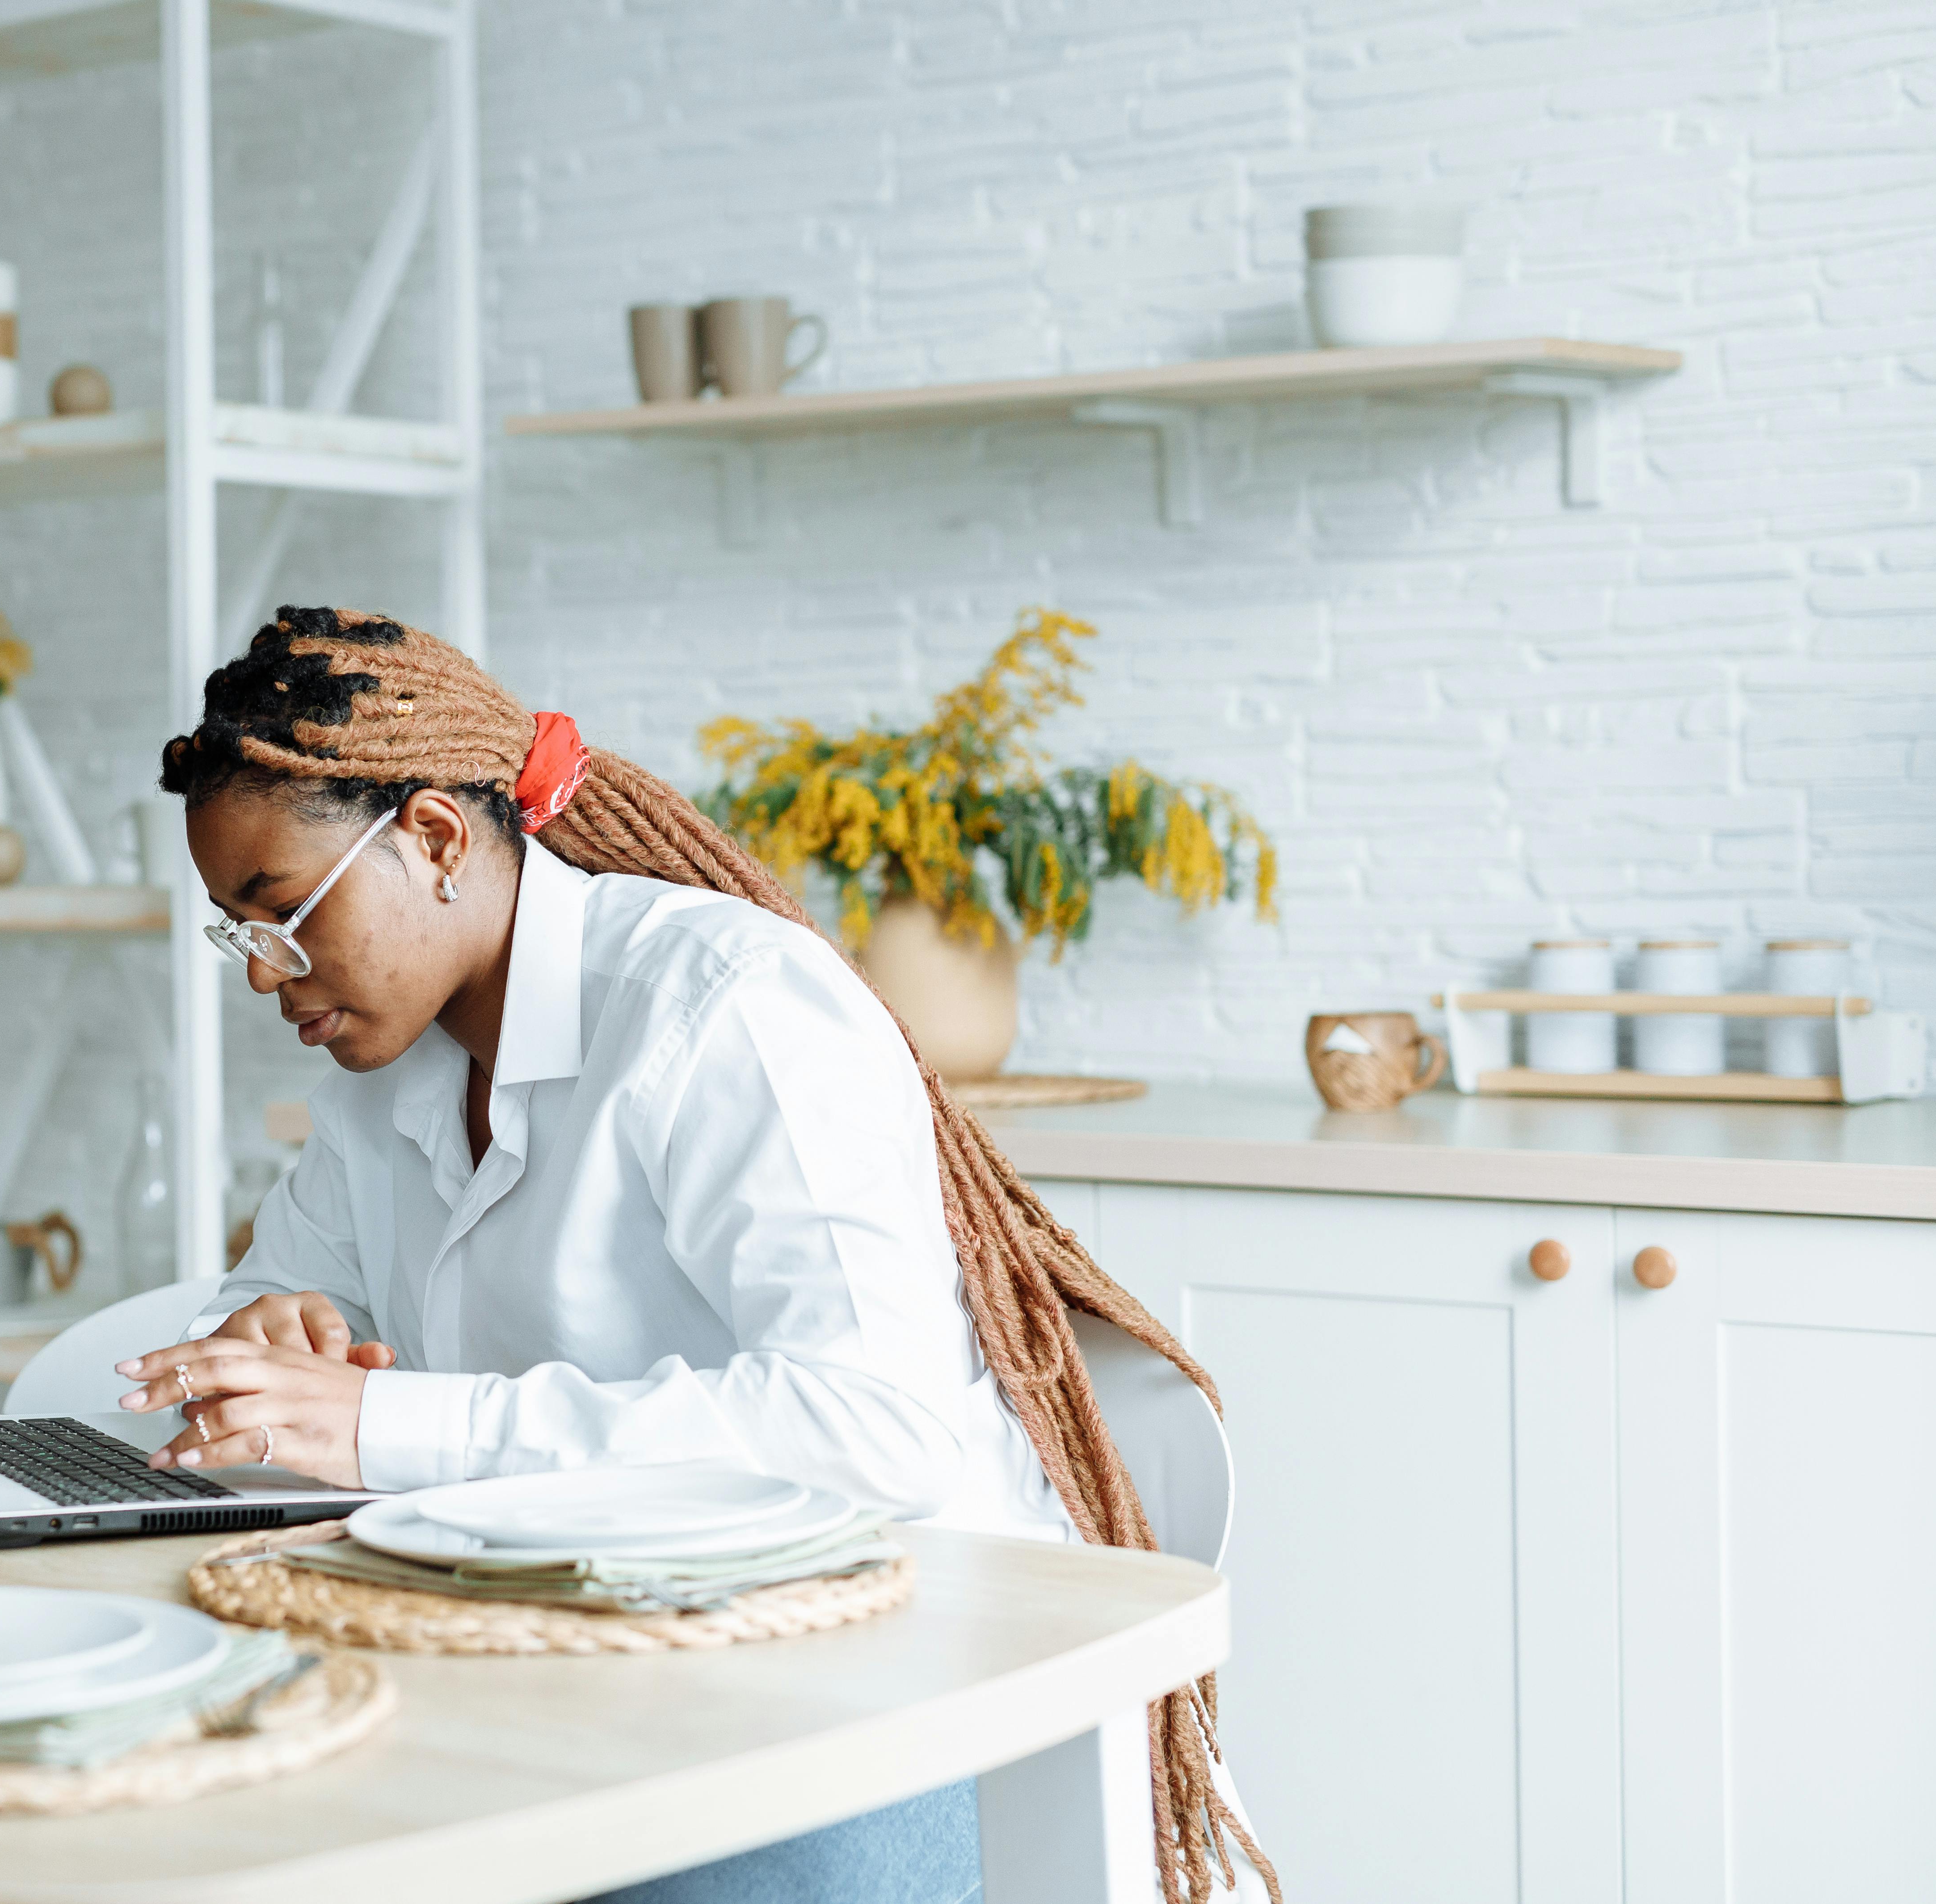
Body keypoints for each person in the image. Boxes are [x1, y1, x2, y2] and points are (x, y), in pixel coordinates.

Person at [112, 607, 1273, 1904]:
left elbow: (872, 1431)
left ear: (436, 838)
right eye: (239, 933)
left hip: (883, 1702)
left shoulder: (729, 1008)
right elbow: (280, 1289)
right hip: (595, 1676)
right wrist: (277, 1334)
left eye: (285, 915)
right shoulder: (386, 1070)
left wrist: (390, 1424)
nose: (268, 976)